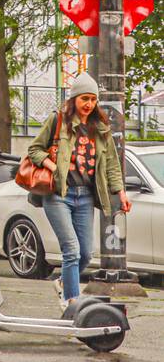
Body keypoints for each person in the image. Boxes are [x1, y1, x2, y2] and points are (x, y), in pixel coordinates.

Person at [27, 73, 130, 306]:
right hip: (59, 195)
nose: (89, 105)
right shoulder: (58, 121)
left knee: (85, 254)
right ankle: (72, 302)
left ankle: (64, 282)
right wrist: (53, 166)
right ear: (73, 98)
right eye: (84, 98)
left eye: (93, 100)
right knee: (71, 250)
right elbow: (34, 150)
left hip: (85, 197)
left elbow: (112, 164)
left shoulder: (101, 128)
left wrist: (121, 193)